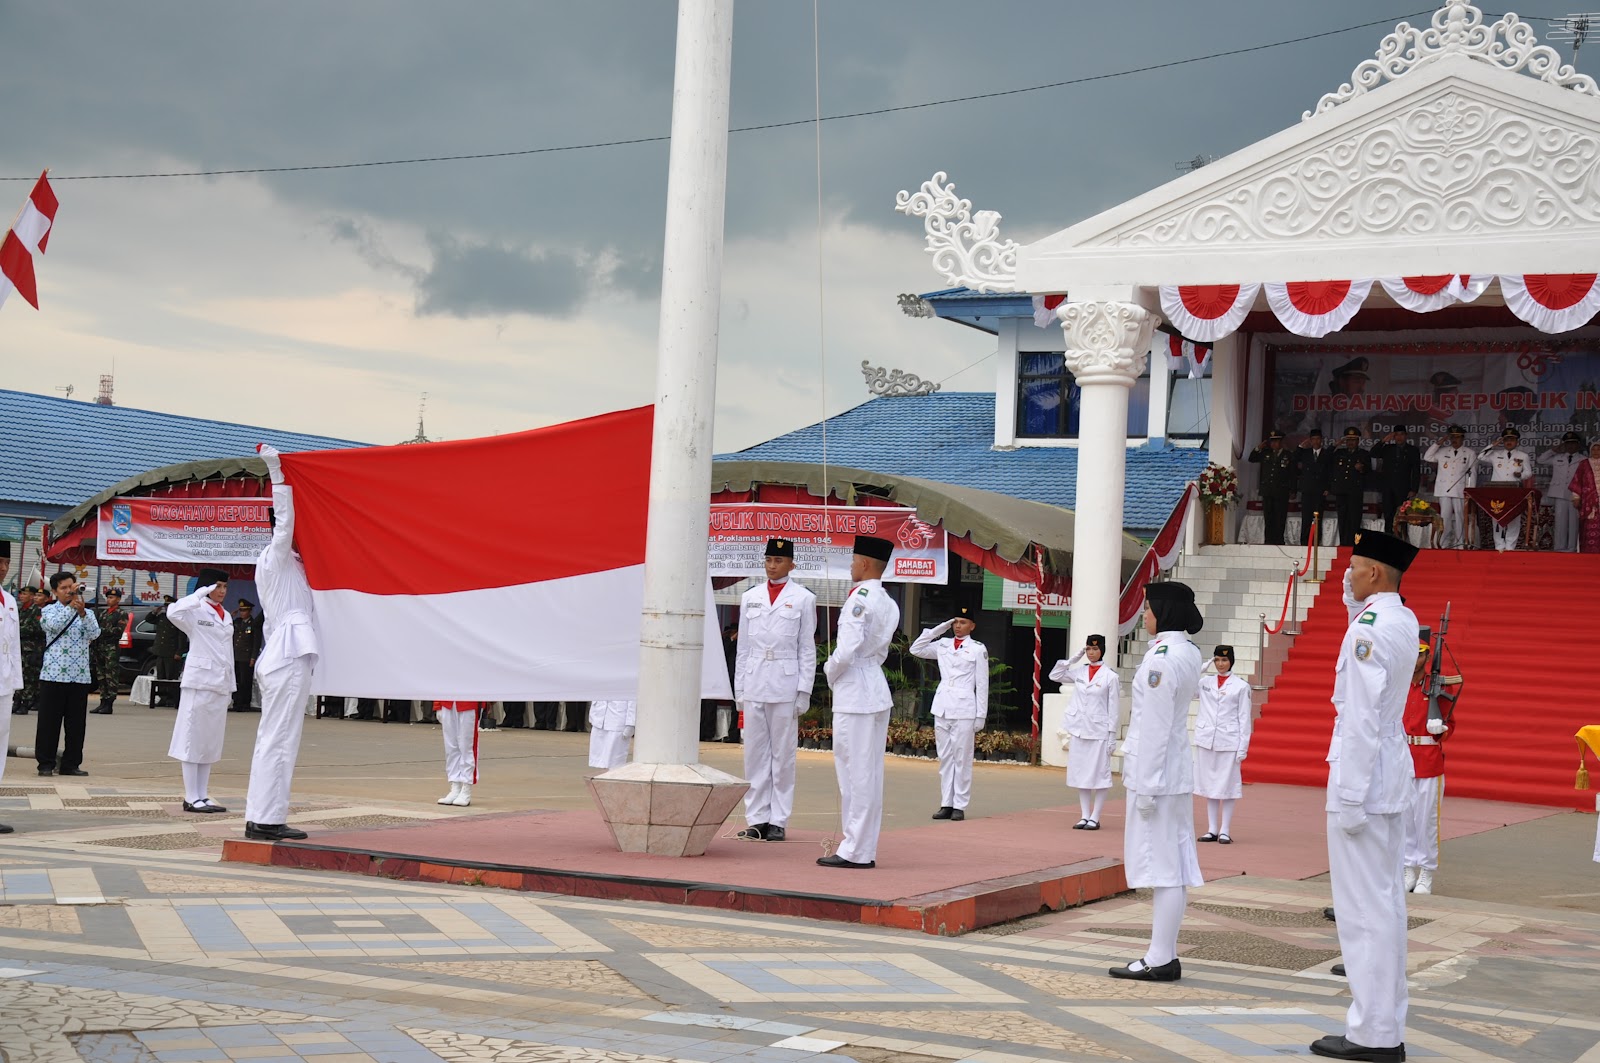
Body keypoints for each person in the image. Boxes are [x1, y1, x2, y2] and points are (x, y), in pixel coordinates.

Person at [1311, 530, 1420, 1063]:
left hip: (1365, 779)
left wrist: (1349, 796)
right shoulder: (1400, 618)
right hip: (1389, 774)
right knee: (1385, 903)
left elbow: (1358, 720)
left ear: (1374, 573)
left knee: (1362, 909)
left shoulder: (1369, 630)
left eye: (1353, 568)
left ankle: (1372, 1033)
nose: (1345, 577)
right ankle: (1383, 1023)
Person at [1110, 582, 1205, 982]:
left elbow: (1155, 727)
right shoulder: (1186, 650)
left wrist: (1145, 785)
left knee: (1165, 867)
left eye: (1147, 608)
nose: (1144, 615)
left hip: (1159, 776)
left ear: (1162, 612)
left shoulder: (1161, 660)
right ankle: (1161, 953)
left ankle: (1160, 957)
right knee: (1174, 865)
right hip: (1173, 772)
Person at [244, 447, 321, 842]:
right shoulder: (275, 556)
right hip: (288, 653)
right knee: (279, 737)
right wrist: (278, 475)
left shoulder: (294, 564)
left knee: (276, 736)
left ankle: (262, 814)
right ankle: (266, 819)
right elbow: (285, 520)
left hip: (287, 651)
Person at [818, 535, 899, 870]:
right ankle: (862, 846)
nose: (851, 566)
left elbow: (847, 648)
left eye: (853, 561)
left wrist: (829, 669)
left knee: (855, 772)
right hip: (873, 686)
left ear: (865, 564)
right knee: (868, 772)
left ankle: (854, 849)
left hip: (856, 688)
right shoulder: (887, 600)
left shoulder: (860, 598)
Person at [734, 538, 818, 842]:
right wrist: (739, 689)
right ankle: (757, 819)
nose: (772, 566)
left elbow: (807, 649)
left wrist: (804, 691)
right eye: (768, 560)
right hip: (756, 678)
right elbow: (742, 648)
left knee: (783, 756)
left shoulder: (803, 598)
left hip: (785, 680)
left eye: (778, 561)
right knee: (754, 756)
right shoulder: (750, 597)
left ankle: (779, 819)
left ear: (792, 564)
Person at [166, 570, 235, 813]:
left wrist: (231, 686)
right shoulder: (195, 610)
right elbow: (173, 612)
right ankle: (190, 796)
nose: (222, 591)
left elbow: (228, 654)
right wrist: (198, 594)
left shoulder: (226, 615)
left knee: (210, 741)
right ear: (206, 587)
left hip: (219, 682)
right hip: (199, 682)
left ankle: (203, 795)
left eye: (225, 586)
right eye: (217, 586)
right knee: (192, 739)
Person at [911, 605, 988, 823]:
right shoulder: (943, 644)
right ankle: (946, 803)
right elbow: (916, 649)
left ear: (972, 626)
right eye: (955, 622)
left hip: (964, 708)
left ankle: (960, 805)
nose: (958, 626)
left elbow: (982, 684)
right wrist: (940, 628)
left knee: (962, 758)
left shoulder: (977, 649)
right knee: (945, 757)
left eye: (962, 622)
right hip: (943, 705)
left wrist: (980, 714)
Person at [1402, 629, 1460, 897]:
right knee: (1403, 818)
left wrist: (1441, 729)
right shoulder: (1398, 683)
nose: (1414, 657)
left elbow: (1451, 723)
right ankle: (1406, 868)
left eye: (1420, 653)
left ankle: (1426, 870)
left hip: (1428, 760)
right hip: (1402, 758)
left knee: (1426, 819)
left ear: (1426, 656)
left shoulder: (1439, 686)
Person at [1049, 633, 1118, 830]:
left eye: (1095, 649)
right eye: (1088, 649)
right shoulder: (1079, 671)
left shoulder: (1110, 676)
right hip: (1079, 729)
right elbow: (1054, 676)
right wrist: (1072, 660)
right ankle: (1084, 815)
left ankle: (1095, 816)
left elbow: (1113, 708)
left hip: (1099, 731)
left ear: (1102, 650)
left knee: (1100, 774)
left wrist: (1112, 736)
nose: (1091, 653)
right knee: (1081, 773)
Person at [35, 571, 101, 777]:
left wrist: (82, 614)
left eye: (71, 587)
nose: (69, 592)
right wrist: (70, 609)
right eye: (64, 588)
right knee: (49, 723)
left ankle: (71, 764)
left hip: (79, 677)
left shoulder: (86, 612)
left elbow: (95, 634)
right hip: (53, 675)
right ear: (54, 591)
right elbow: (53, 627)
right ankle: (45, 764)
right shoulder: (49, 611)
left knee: (76, 725)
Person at [1193, 645, 1253, 844]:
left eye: (1224, 660)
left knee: (1226, 786)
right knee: (1209, 785)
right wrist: (1203, 666)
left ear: (1231, 661)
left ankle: (1225, 829)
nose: (1220, 664)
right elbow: (1188, 685)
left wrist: (1243, 747)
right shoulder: (1204, 682)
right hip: (1207, 738)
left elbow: (1244, 719)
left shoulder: (1241, 686)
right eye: (1217, 660)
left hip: (1229, 740)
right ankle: (1211, 829)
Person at [1476, 428, 1534, 551]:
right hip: (1497, 489)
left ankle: (1510, 546)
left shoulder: (1522, 456)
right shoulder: (1495, 454)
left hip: (1514, 490)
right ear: (1503, 441)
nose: (1509, 442)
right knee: (1496, 516)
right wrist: (1493, 445)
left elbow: (1528, 472)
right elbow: (1480, 456)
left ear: (1517, 441)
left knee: (1513, 517)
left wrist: (1521, 475)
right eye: (1506, 439)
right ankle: (1499, 545)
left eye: (1512, 440)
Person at [1424, 425, 1476, 549]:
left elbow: (1472, 474)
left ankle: (1460, 544)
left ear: (1462, 438)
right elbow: (1427, 457)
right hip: (1444, 489)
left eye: (1457, 437)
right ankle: (1443, 543)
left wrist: (1470, 491)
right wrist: (1438, 443)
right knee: (1444, 517)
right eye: (1452, 437)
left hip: (1460, 490)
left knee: (1460, 517)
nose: (1454, 439)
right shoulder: (1442, 451)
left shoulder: (1469, 453)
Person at [1538, 432, 1586, 553]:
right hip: (1559, 493)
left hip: (1575, 494)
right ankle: (1559, 548)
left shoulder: (1583, 459)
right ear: (1564, 445)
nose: (1570, 446)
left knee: (1574, 523)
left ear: (1578, 445)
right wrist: (1553, 450)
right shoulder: (1558, 458)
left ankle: (1572, 548)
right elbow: (1541, 460)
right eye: (1568, 444)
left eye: (1573, 444)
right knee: (1560, 522)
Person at [1371, 427, 1423, 535]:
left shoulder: (1413, 450)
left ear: (1406, 436)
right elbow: (1373, 453)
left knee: (1402, 513)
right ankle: (1388, 535)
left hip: (1403, 487)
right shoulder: (1387, 448)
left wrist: (1414, 489)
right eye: (1397, 435)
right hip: (1387, 486)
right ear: (1394, 437)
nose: (1399, 437)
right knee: (1388, 513)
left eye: (1402, 434)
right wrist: (1383, 441)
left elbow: (1416, 470)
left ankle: (1402, 536)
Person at [0, 544, 19, 832]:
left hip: (4, 682)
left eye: (6, 562)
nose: (3, 568)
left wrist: (16, 682)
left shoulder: (10, 601)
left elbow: (13, 645)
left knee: (0, 746)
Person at [1248, 431, 1295, 545]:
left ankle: (1279, 540)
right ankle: (1269, 540)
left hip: (1281, 491)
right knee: (1268, 516)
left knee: (1280, 516)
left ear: (1281, 442)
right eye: (1272, 441)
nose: (1274, 444)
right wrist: (1258, 447)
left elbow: (1292, 474)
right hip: (1267, 490)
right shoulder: (1265, 453)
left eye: (1276, 441)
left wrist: (1293, 490)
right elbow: (1252, 458)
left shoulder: (1287, 455)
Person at [1329, 427, 1372, 546]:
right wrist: (1334, 446)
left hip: (1355, 491)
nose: (1350, 442)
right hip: (1341, 490)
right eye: (1348, 440)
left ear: (1358, 441)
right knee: (1342, 518)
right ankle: (1343, 543)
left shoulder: (1363, 454)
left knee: (1354, 519)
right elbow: (1326, 458)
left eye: (1353, 440)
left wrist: (1362, 468)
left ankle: (1355, 544)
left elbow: (1369, 471)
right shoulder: (1339, 453)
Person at [435, 699, 483, 805]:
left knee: (467, 746)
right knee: (451, 747)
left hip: (469, 702)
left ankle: (466, 788)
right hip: (447, 701)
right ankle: (455, 787)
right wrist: (438, 705)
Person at [90, 588, 127, 715]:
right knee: (101, 675)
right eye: (108, 597)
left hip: (111, 648)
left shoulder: (121, 613)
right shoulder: (103, 613)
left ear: (118, 599)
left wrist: (101, 631)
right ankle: (103, 701)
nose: (109, 600)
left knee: (110, 675)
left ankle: (109, 703)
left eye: (112, 598)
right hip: (100, 647)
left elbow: (118, 632)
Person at [1295, 429, 1332, 546]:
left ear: (1321, 440)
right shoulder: (1305, 453)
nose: (1316, 441)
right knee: (1306, 516)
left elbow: (1330, 472)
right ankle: (1305, 541)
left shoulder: (1327, 454)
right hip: (1307, 489)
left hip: (1320, 490)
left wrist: (1328, 488)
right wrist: (1301, 446)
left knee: (1317, 517)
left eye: (1318, 439)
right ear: (1310, 441)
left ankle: (1316, 541)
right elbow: (1293, 458)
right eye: (1313, 439)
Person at [149, 594, 187, 707]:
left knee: (171, 676)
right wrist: (154, 612)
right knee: (161, 676)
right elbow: (149, 619)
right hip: (161, 651)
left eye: (169, 606)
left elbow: (182, 637)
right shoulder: (162, 617)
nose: (166, 608)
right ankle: (163, 697)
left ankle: (171, 698)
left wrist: (179, 652)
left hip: (171, 652)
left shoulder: (177, 619)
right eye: (165, 606)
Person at [230, 599, 263, 712]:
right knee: (236, 680)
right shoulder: (237, 622)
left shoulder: (253, 624)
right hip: (236, 656)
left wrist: (253, 657)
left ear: (249, 611)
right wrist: (230, 616)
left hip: (246, 657)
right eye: (241, 611)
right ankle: (236, 702)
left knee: (245, 681)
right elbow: (225, 626)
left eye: (244, 611)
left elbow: (256, 642)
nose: (242, 613)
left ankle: (245, 703)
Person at [15, 585, 42, 715]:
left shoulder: (36, 611)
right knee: (18, 674)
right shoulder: (20, 610)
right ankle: (17, 701)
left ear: (31, 596)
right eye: (20, 594)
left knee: (28, 676)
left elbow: (36, 628)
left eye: (24, 594)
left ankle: (25, 702)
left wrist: (17, 630)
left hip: (30, 648)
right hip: (19, 647)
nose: (21, 596)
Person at [1572, 441, 1600, 553]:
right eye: (1594, 449)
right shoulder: (1584, 464)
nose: (1596, 451)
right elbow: (1577, 481)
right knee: (1589, 526)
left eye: (1598, 449)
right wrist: (1576, 498)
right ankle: (1589, 551)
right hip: (1589, 502)